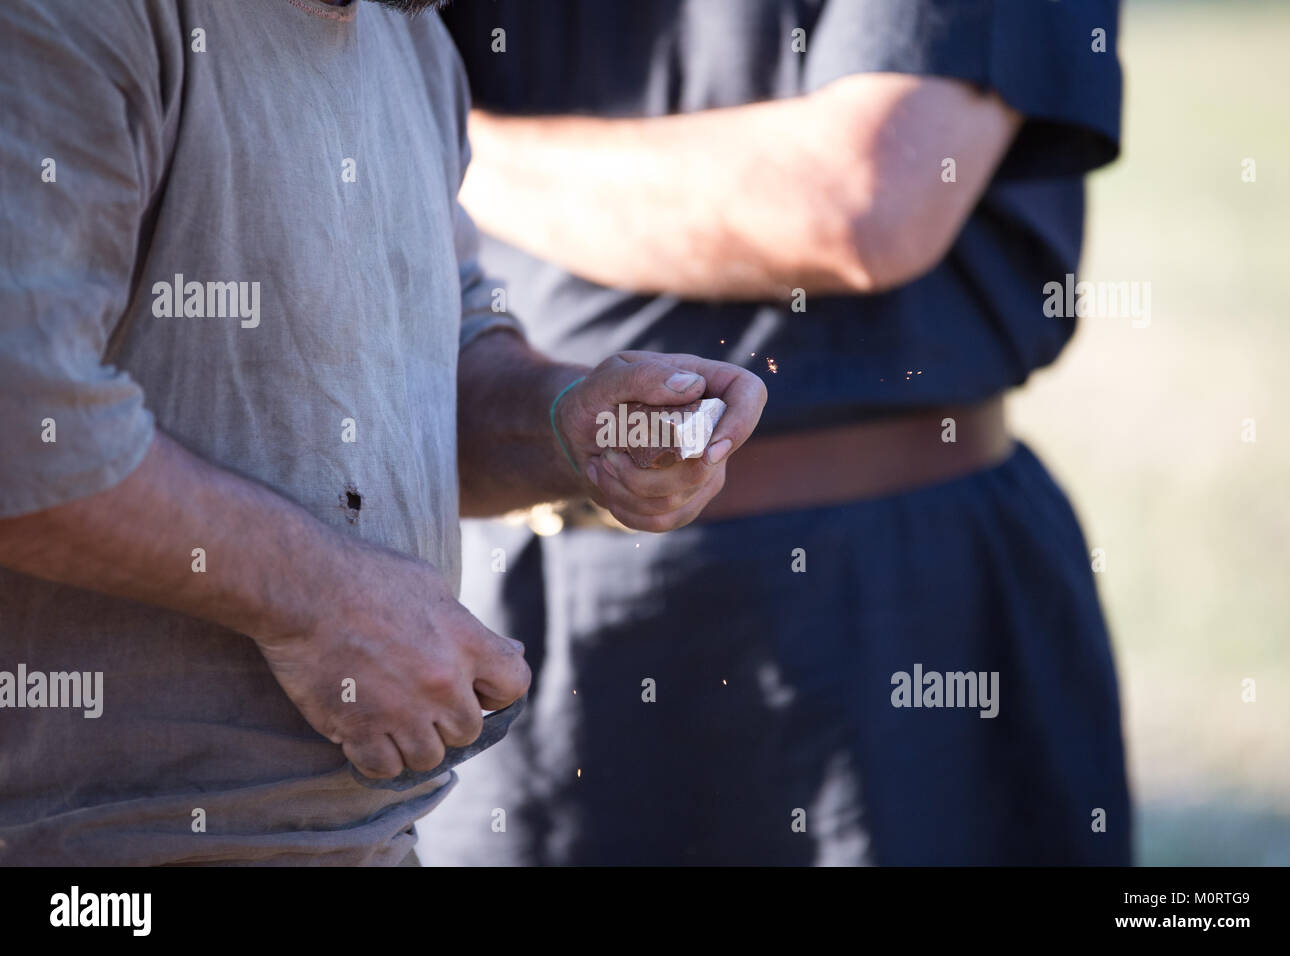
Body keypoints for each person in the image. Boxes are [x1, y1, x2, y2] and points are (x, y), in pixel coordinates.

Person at [0, 0, 764, 866]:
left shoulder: (412, 37)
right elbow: (25, 425)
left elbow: (438, 369)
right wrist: (320, 603)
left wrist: (569, 423)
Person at [418, 0, 1132, 865]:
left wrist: (429, 141)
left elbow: (865, 197)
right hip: (490, 581)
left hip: (882, 597)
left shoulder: (426, 135)